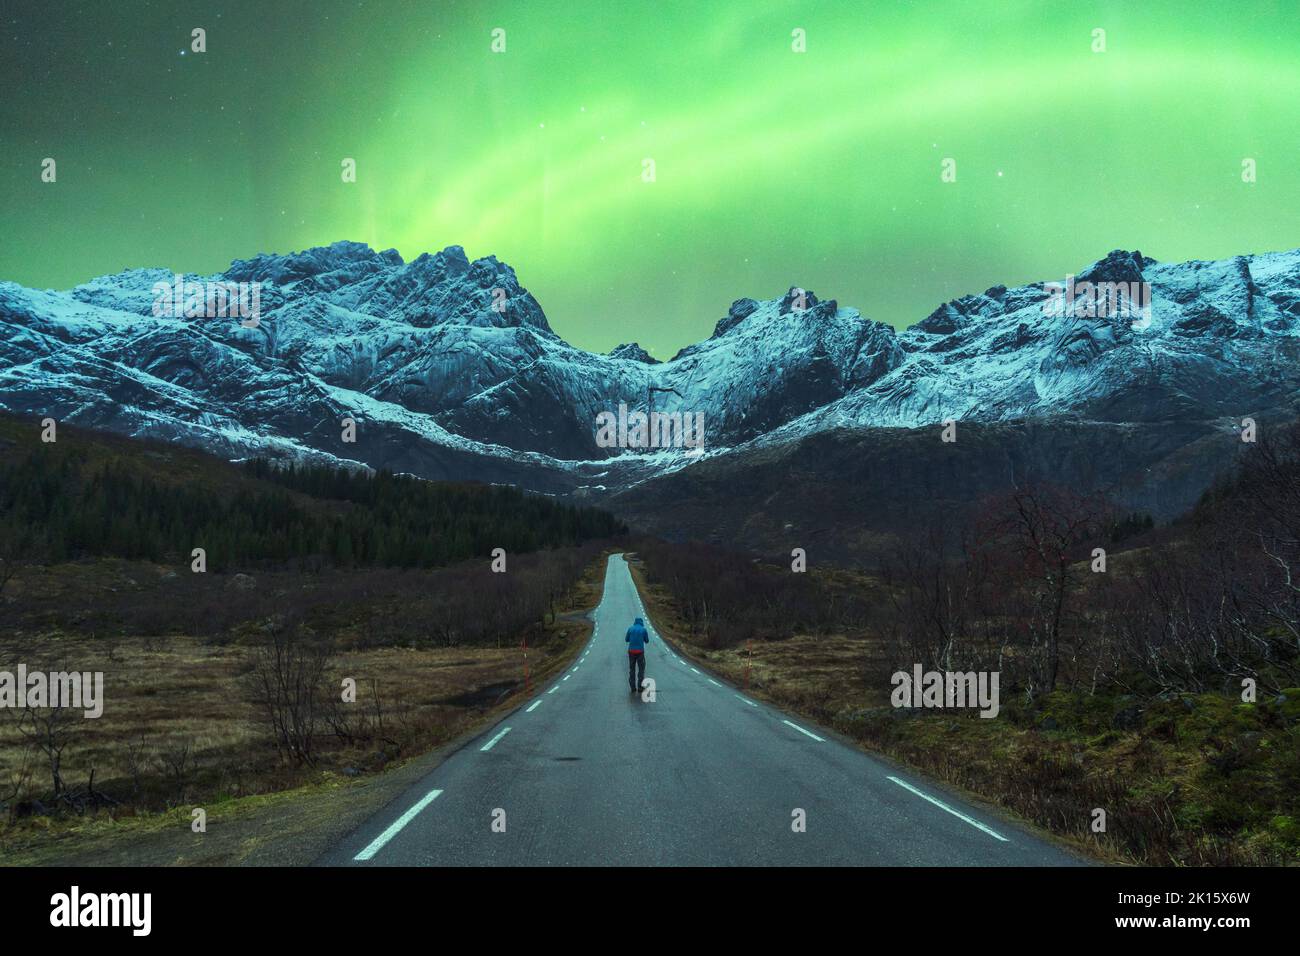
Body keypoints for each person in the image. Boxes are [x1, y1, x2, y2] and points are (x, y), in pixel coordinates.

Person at [625, 617, 649, 693]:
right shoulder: (643, 629)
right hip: (640, 652)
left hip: (631, 651)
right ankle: (640, 687)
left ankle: (632, 687)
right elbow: (647, 641)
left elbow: (626, 639)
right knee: (641, 669)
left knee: (632, 669)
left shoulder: (630, 629)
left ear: (635, 622)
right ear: (641, 622)